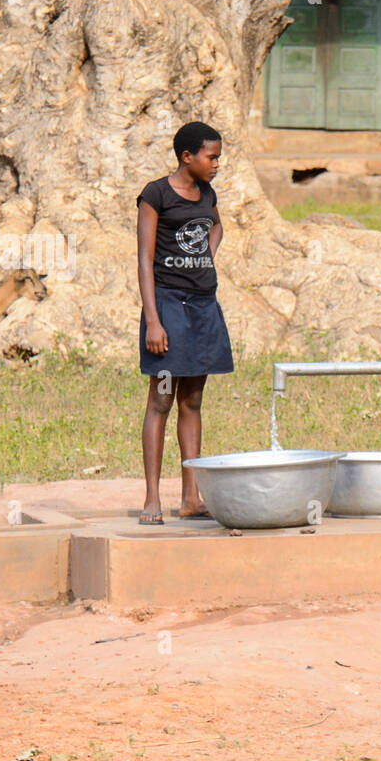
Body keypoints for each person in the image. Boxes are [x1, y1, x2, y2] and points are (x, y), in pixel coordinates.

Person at [135, 121, 234, 525]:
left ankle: (191, 496)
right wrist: (154, 322)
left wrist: (205, 257)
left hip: (203, 308)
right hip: (168, 308)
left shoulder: (206, 192)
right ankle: (152, 498)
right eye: (211, 157)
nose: (216, 164)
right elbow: (143, 259)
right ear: (186, 156)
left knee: (192, 401)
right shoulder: (155, 195)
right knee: (161, 399)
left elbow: (216, 225)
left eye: (218, 157)